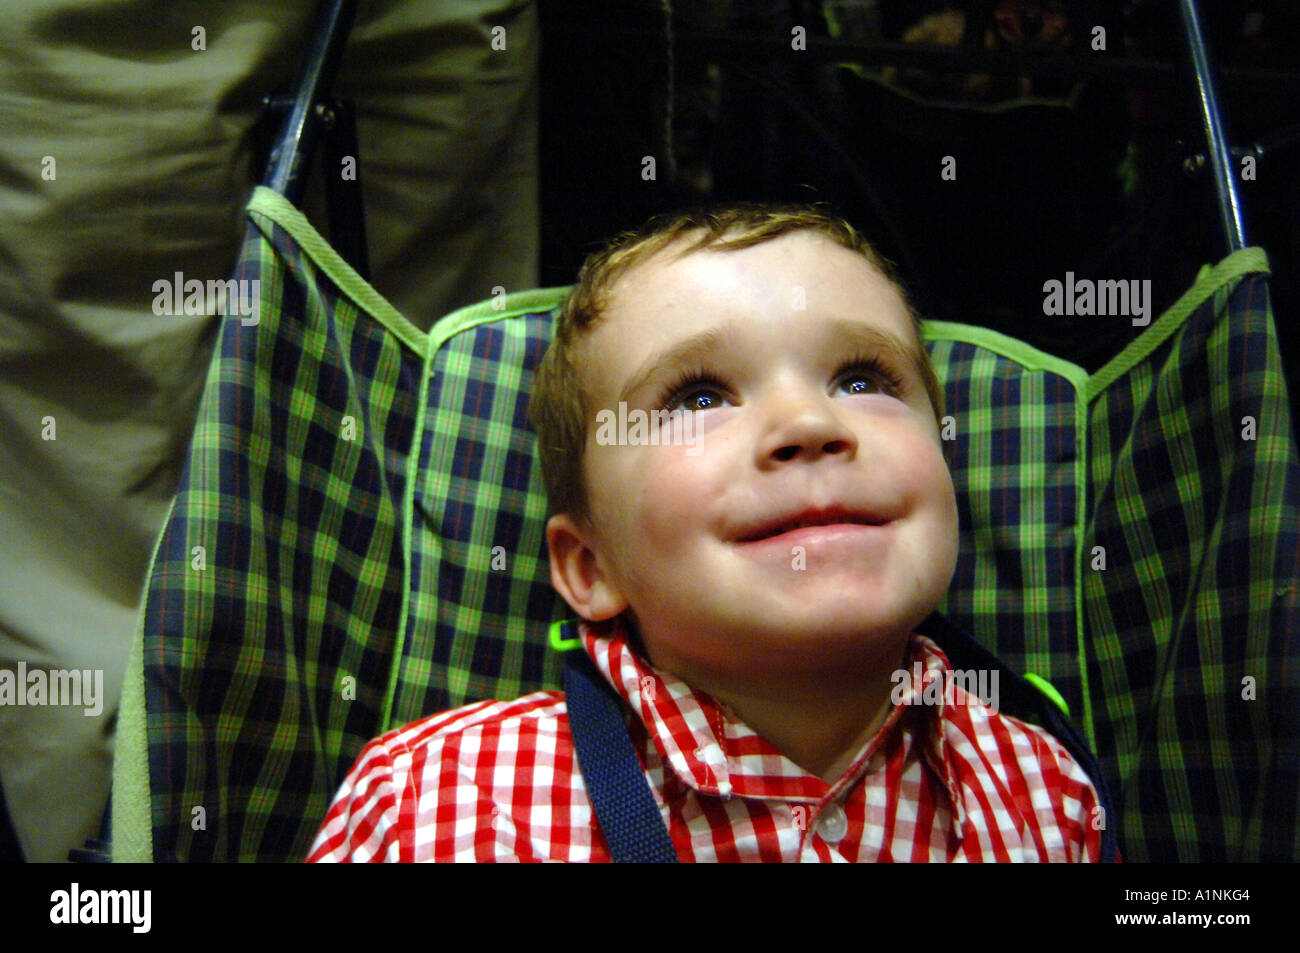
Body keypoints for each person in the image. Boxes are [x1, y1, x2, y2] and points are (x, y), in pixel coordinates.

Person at [308, 203, 1105, 862]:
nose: (808, 422)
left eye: (863, 378)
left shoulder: (1049, 795)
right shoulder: (442, 806)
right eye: (697, 398)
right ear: (589, 566)